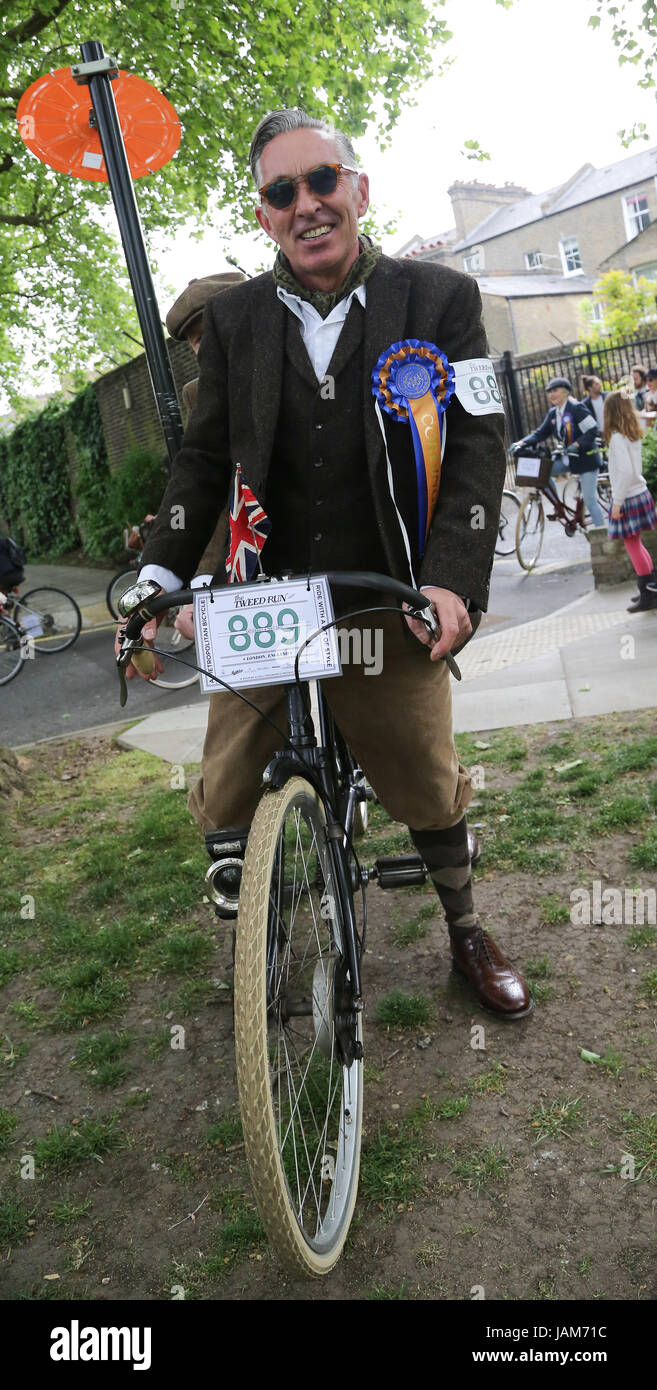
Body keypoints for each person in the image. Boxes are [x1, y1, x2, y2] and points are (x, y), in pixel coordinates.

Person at [129, 107, 531, 1020]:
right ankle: (257, 919)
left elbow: (475, 439)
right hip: (265, 598)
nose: (305, 205)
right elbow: (200, 457)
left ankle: (464, 925)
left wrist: (450, 579)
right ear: (263, 214)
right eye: (282, 192)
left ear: (356, 189)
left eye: (321, 181)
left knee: (425, 779)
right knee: (227, 787)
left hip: (383, 592)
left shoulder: (439, 299)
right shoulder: (232, 322)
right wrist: (159, 574)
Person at [166, 271, 246, 640]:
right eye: (197, 341)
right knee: (241, 698)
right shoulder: (197, 394)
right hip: (240, 566)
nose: (205, 347)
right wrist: (200, 582)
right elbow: (209, 489)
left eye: (214, 330)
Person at [514, 376, 606, 527]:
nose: (551, 394)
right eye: (549, 392)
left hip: (586, 461)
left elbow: (592, 430)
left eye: (555, 390)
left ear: (565, 392)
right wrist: (522, 442)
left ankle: (603, 536)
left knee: (590, 500)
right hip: (567, 459)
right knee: (543, 473)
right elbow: (540, 433)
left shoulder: (576, 408)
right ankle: (558, 506)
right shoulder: (553, 413)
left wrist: (577, 444)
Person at [603, 390, 657, 612]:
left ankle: (648, 594)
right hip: (639, 493)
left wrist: (617, 503)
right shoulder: (630, 433)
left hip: (628, 498)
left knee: (632, 545)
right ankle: (649, 589)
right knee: (636, 543)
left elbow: (624, 472)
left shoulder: (616, 437)